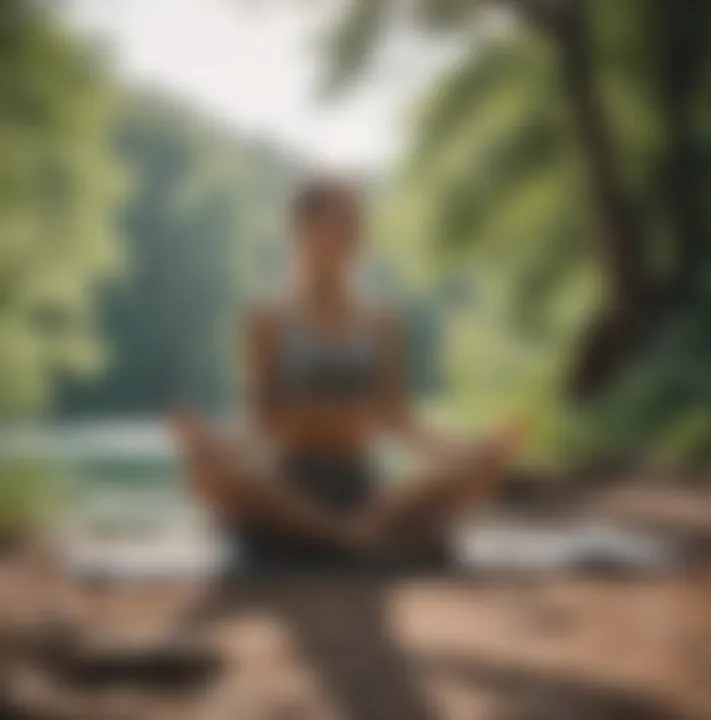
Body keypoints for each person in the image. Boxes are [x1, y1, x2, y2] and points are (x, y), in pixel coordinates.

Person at [172, 176, 524, 574]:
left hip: (362, 485)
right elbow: (261, 422)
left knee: (474, 473)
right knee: (213, 477)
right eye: (338, 222)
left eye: (357, 223)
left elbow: (400, 422)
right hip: (290, 487)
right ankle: (350, 538)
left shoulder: (382, 323)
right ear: (299, 231)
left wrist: (469, 453)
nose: (351, 235)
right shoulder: (266, 320)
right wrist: (211, 449)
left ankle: (336, 536)